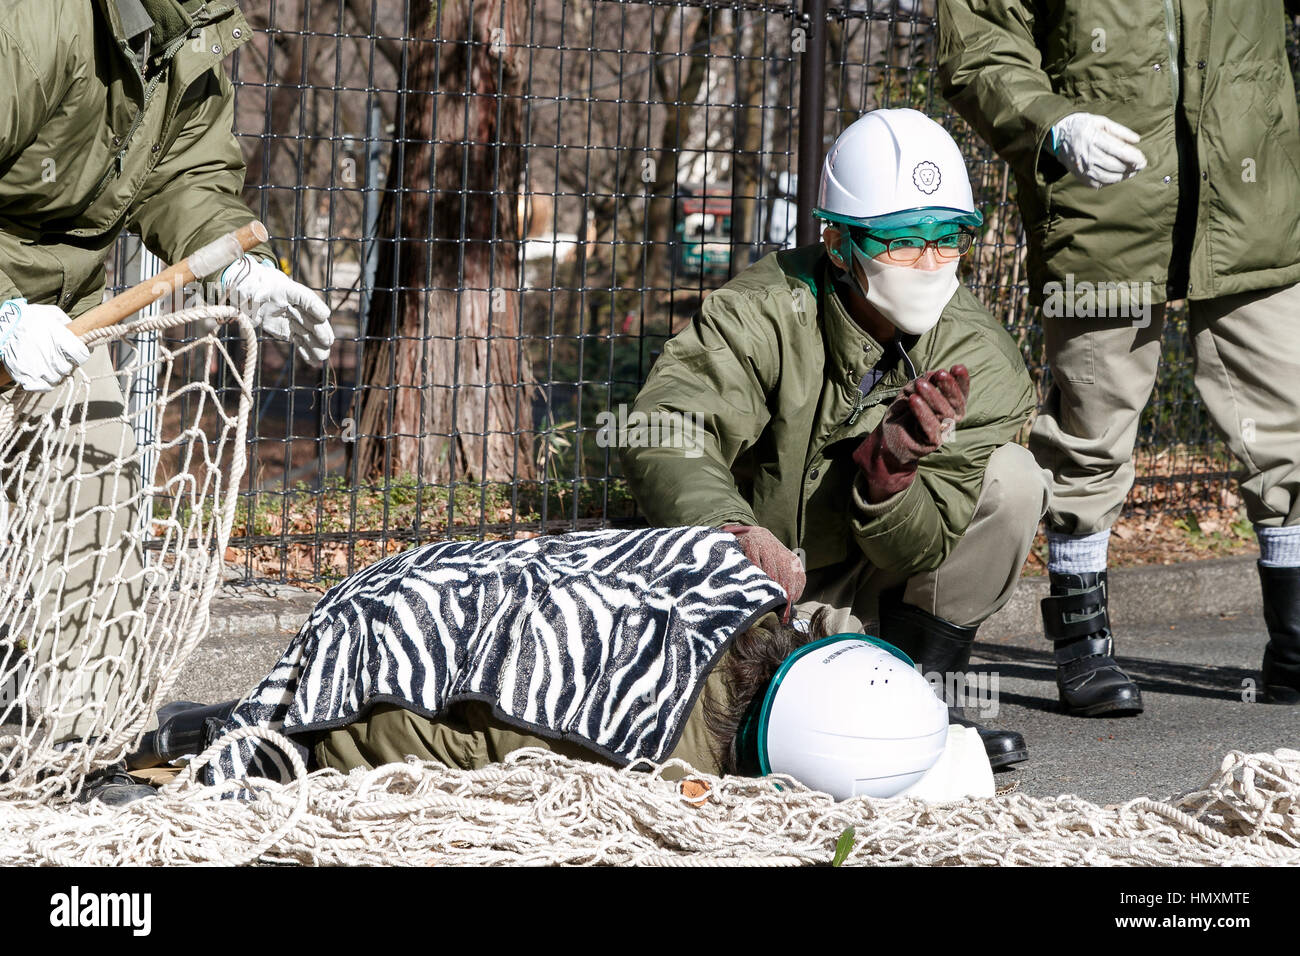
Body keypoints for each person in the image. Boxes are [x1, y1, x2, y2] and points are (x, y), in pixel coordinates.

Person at [621, 108, 1050, 769]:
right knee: (725, 728)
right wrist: (730, 528)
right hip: (756, 582)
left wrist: (891, 480)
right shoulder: (764, 309)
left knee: (1016, 479)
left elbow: (926, 543)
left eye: (950, 237)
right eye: (901, 239)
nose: (930, 262)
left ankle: (923, 695)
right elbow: (669, 425)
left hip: (879, 589)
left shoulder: (981, 356)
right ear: (839, 240)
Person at [0, 0, 335, 803]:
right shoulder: (31, 23)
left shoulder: (190, 27)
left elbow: (184, 172)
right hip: (15, 306)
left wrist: (233, 264)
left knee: (95, 465)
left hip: (55, 319)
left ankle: (66, 756)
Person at [938, 0, 1300, 712]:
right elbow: (978, 41)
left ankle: (1293, 645)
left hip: (1252, 200)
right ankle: (1084, 646)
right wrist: (1050, 124)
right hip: (1100, 209)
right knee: (1089, 434)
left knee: (1289, 423)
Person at [137, 526, 991, 802]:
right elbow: (399, 736)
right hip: (379, 650)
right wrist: (282, 740)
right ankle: (235, 732)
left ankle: (246, 724)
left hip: (416, 588)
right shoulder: (656, 750)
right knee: (422, 737)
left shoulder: (751, 593)